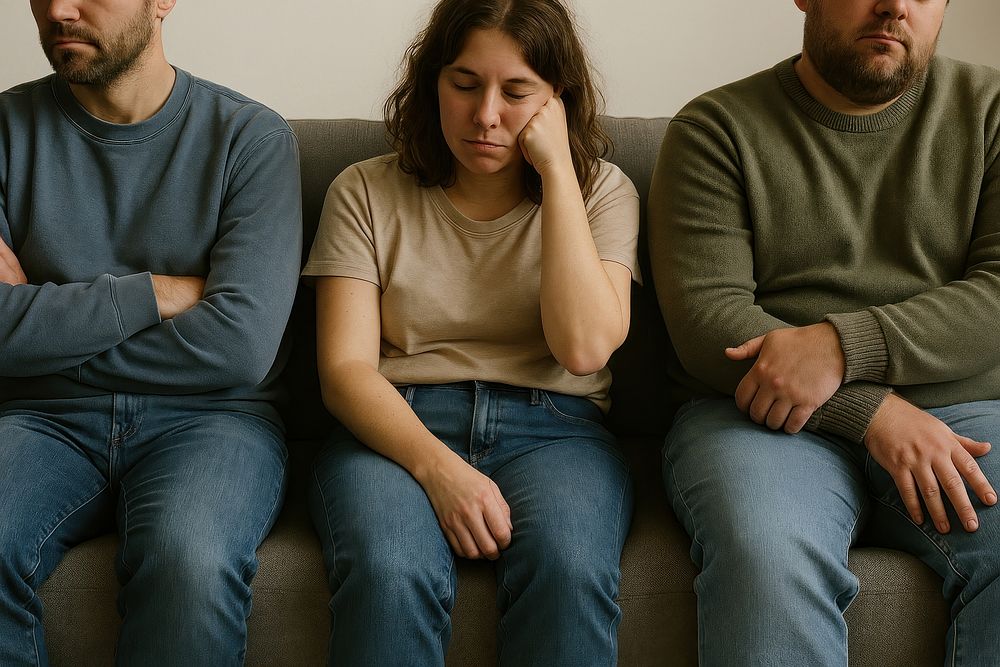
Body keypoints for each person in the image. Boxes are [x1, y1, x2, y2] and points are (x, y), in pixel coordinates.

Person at [648, 0, 1000, 664]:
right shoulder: (716, 128)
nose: (895, 5)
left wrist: (844, 346)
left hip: (960, 411)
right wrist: (871, 410)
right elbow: (706, 320)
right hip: (756, 417)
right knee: (765, 560)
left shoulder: (989, 111)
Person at [301, 0, 640, 663]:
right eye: (463, 83)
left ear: (557, 100)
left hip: (559, 428)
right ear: (433, 83)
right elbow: (344, 371)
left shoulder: (603, 193)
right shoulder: (363, 191)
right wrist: (440, 470)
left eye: (517, 92)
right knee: (390, 571)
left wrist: (559, 174)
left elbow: (584, 347)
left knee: (570, 571)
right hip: (396, 427)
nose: (485, 115)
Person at [0, 0, 301, 663]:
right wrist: (153, 293)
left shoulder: (251, 139)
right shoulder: (4, 131)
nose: (59, 10)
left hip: (213, 420)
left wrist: (41, 333)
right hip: (44, 419)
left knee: (189, 561)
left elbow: (239, 346)